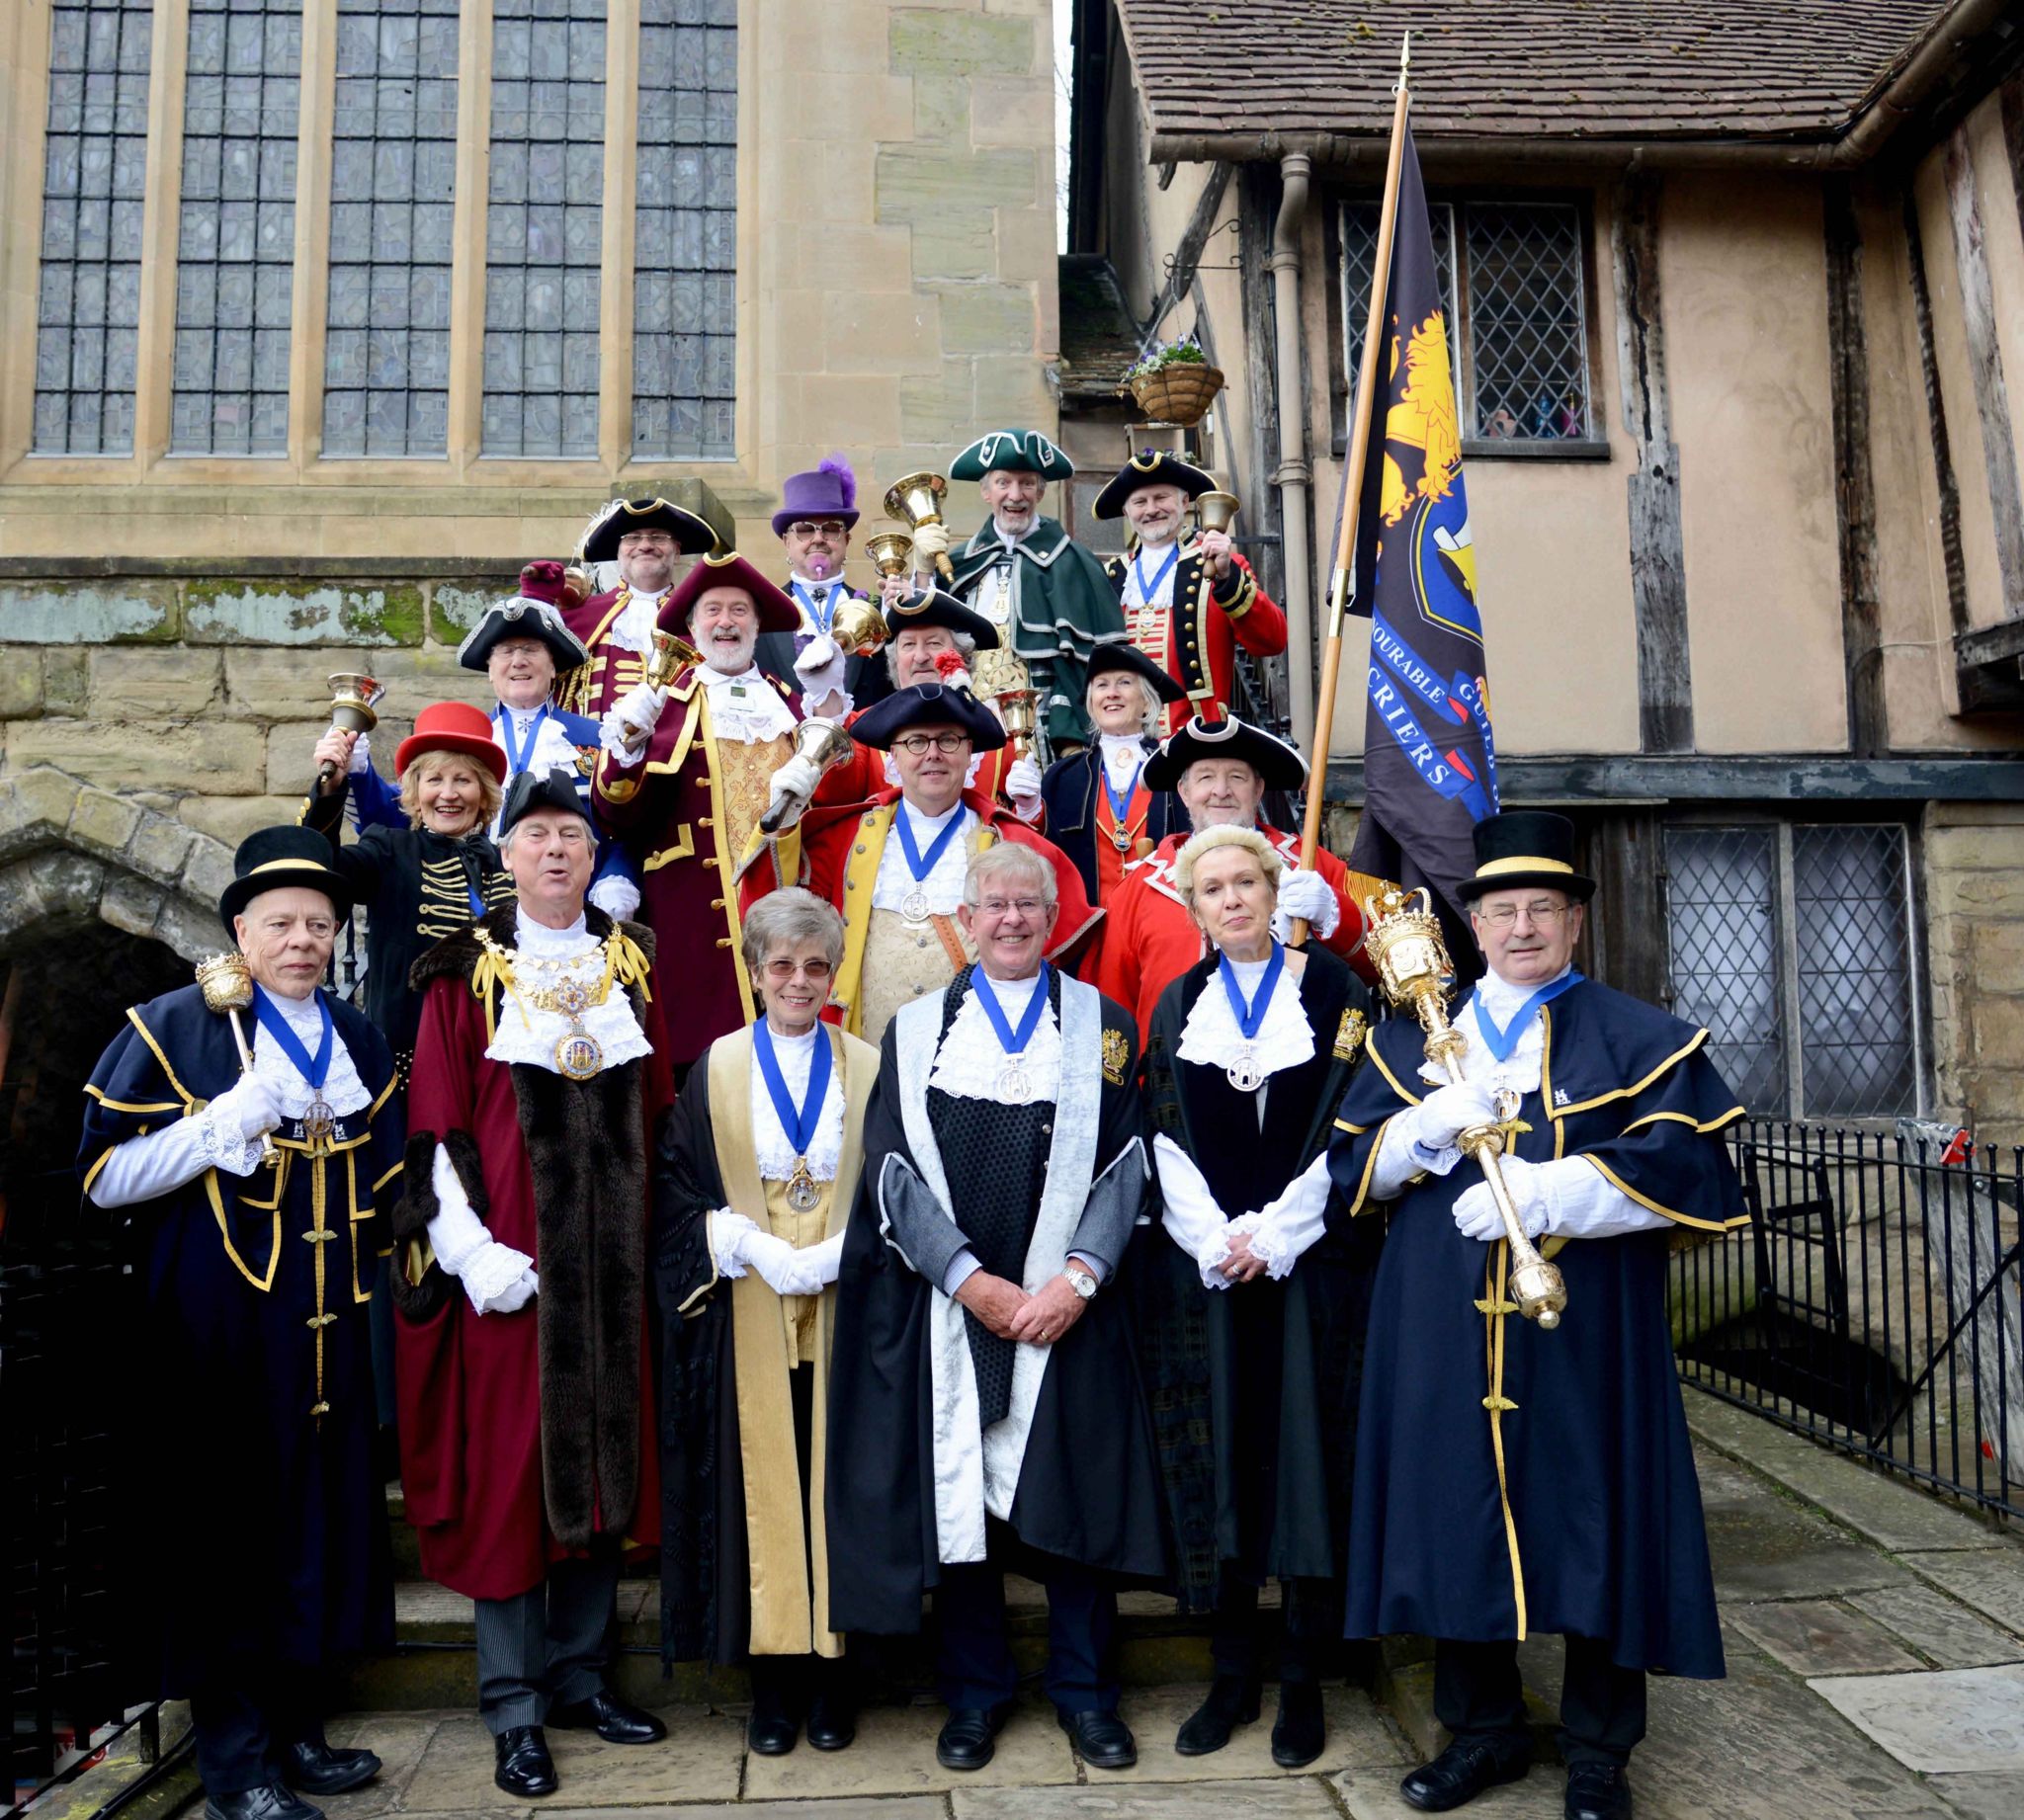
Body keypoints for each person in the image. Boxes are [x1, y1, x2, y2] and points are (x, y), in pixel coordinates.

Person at [1327, 812, 1747, 1820]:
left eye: (1541, 910)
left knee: (1596, 1514)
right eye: (1500, 910)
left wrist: (1559, 1190)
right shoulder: (1409, 1042)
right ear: (1471, 925)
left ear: (1573, 922)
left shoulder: (1637, 1037)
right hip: (1438, 1325)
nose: (1520, 928)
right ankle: (1483, 1733)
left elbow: (1690, 1171)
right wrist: (1423, 1130)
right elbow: (1349, 1174)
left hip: (1585, 1331)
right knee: (1451, 1517)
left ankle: (1599, 1752)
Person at [80, 827, 402, 1820]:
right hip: (217, 1332)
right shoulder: (171, 1026)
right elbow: (104, 1180)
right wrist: (225, 1122)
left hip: (327, 1331)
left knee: (315, 1530)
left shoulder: (354, 1037)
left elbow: (383, 1174)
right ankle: (234, 1767)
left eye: (318, 924)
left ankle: (298, 1732)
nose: (300, 940)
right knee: (227, 1538)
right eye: (280, 924)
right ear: (239, 933)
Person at [825, 844, 1166, 1774]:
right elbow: (890, 1174)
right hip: (955, 1306)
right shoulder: (916, 1028)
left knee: (1076, 1504)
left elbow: (1130, 1163)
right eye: (994, 905)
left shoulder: (1106, 1025)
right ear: (966, 920)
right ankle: (975, 1696)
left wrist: (1079, 1280)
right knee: (962, 1511)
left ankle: (1086, 1696)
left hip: (1067, 1310)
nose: (1011, 919)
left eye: (1028, 905)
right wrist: (971, 1281)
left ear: (1053, 918)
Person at [389, 771, 673, 1800]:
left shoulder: (628, 967)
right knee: (514, 1488)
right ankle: (513, 1706)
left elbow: (665, 1105)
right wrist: (470, 1252)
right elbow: (433, 1126)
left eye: (572, 837)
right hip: (514, 1278)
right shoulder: (460, 973)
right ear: (505, 858)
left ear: (593, 860)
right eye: (536, 837)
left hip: (614, 1272)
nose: (555, 852)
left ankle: (582, 1677)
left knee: (601, 1473)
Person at [1134, 826, 1378, 1769]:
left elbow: (1353, 1121)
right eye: (1213, 889)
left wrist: (1277, 1235)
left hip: (1312, 1267)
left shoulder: (1336, 993)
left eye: (1247, 883)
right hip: (1211, 1275)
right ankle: (1231, 1672)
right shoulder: (1177, 1003)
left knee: (1305, 1464)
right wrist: (1217, 1239)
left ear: (1276, 893)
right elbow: (1161, 1126)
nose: (1232, 900)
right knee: (1225, 1462)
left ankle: (1304, 1680)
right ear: (1193, 907)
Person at [652, 889, 879, 1756]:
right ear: (753, 972)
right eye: (780, 964)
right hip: (744, 1304)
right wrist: (742, 1240)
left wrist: (840, 1253)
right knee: (759, 1499)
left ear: (832, 974)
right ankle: (774, 1688)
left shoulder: (865, 1064)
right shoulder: (712, 1068)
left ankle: (834, 1680)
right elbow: (677, 1185)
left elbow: (897, 1175)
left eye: (814, 965)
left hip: (844, 1307)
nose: (797, 980)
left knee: (837, 1492)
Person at [754, 670, 1097, 1046]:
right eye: (916, 742)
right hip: (865, 1049)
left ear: (970, 754)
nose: (933, 754)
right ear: (894, 756)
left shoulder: (1008, 841)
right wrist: (781, 827)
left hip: (980, 1051)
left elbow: (1058, 941)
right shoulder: (845, 837)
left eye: (948, 741)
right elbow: (774, 906)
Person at [593, 551, 838, 1074]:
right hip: (689, 924)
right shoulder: (666, 704)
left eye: (738, 611)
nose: (725, 622)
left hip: (783, 917)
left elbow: (827, 811)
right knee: (697, 1073)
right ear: (691, 625)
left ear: (756, 625)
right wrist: (628, 747)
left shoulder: (789, 705)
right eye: (712, 611)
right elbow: (619, 812)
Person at [330, 563, 638, 919]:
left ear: (554, 666)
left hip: (573, 912)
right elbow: (404, 815)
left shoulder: (597, 740)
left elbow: (624, 829)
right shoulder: (463, 741)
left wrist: (618, 880)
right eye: (506, 652)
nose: (519, 661)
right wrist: (357, 769)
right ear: (490, 670)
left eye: (531, 650)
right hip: (469, 911)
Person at [1094, 715, 1381, 1040]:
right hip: (1177, 1083)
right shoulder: (1137, 890)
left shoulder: (1310, 866)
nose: (1221, 791)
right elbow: (1114, 1013)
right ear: (1184, 792)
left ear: (1258, 789)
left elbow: (1387, 969)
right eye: (1205, 778)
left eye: (1236, 777)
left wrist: (1335, 916)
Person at [304, 701, 514, 1083]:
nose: (448, 794)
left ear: (483, 793)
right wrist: (330, 790)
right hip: (410, 1067)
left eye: (463, 780)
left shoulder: (509, 861)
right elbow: (322, 866)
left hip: (499, 1060)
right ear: (415, 793)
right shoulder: (387, 848)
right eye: (434, 780)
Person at [904, 428, 1122, 755]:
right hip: (968, 720)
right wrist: (922, 572)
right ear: (986, 491)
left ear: (1040, 492)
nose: (1015, 495)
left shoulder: (1074, 563)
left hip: (1044, 728)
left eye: (1027, 483)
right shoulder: (961, 562)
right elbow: (925, 632)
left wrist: (1068, 736)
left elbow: (1084, 665)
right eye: (1004, 482)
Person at [787, 585, 1035, 816]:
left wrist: (1030, 810)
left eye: (934, 643)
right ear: (895, 661)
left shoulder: (997, 732)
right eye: (908, 645)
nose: (920, 656)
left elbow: (1023, 839)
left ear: (961, 655)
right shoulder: (863, 727)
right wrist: (827, 699)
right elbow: (834, 797)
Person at [1093, 452, 1287, 735]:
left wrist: (1228, 577)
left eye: (1161, 498)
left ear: (1185, 502)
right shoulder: (1109, 577)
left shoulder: (1219, 566)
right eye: (1139, 502)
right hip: (1124, 744)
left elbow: (1272, 641)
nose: (1151, 509)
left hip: (1196, 742)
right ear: (1126, 512)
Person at [1038, 638, 1187, 905]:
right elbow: (1044, 857)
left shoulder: (1177, 771)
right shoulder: (1062, 778)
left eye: (1125, 683)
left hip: (1159, 928)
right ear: (1092, 703)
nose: (1112, 693)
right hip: (1090, 936)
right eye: (1102, 685)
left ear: (1147, 702)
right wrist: (1029, 812)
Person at [553, 495, 717, 719]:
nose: (645, 545)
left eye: (658, 537)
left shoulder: (702, 617)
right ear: (618, 552)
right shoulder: (577, 617)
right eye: (632, 538)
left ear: (677, 551)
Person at [759, 455, 888, 708]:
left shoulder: (878, 607)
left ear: (846, 540)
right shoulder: (763, 612)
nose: (818, 538)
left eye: (830, 528)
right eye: (805, 529)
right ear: (787, 542)